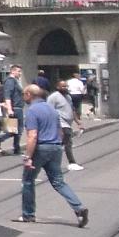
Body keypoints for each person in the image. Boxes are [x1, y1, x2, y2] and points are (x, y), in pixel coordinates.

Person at [19, 82, 91, 227]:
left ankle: (28, 214)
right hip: (56, 147)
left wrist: (28, 157)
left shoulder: (32, 110)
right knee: (58, 182)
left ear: (29, 95)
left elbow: (32, 136)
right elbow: (60, 131)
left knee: (28, 181)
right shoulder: (51, 109)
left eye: (24, 94)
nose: (23, 97)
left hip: (41, 148)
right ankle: (78, 208)